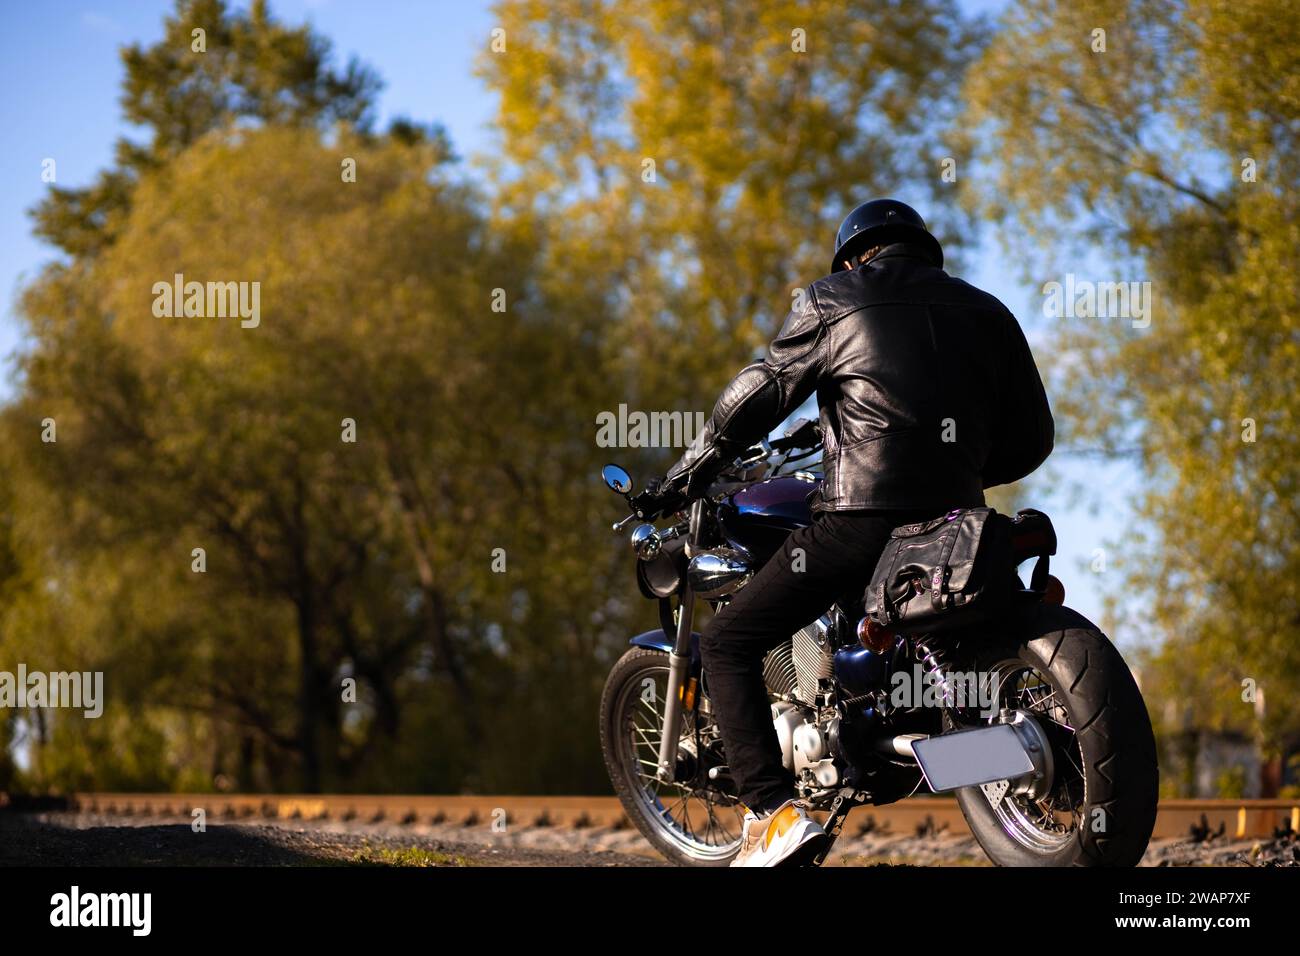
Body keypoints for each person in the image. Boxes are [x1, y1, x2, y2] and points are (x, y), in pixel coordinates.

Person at [635, 199, 1055, 867]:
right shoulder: (988, 310)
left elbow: (758, 393)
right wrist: (956, 470)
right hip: (958, 526)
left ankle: (771, 816)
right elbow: (1034, 439)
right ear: (921, 251)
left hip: (860, 522)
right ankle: (941, 749)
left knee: (725, 643)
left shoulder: (833, 300)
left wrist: (686, 473)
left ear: (856, 258)